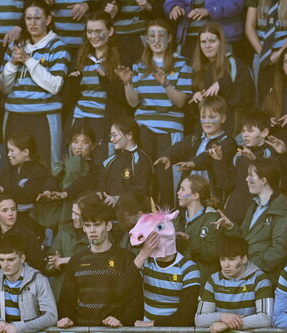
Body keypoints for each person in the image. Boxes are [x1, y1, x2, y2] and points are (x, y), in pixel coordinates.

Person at [119, 20, 193, 205]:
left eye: (161, 35)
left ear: (169, 38)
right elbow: (133, 102)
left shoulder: (182, 64)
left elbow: (181, 102)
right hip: (144, 127)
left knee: (166, 179)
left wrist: (166, 83)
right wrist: (127, 83)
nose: (156, 39)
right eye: (152, 35)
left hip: (169, 128)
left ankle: (168, 222)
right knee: (143, 178)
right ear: (146, 39)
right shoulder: (140, 65)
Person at [0, 0, 71, 169]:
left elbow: (55, 86)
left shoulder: (58, 46)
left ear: (48, 19)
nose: (32, 23)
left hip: (44, 115)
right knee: (14, 168)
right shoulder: (15, 46)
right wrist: (13, 65)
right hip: (14, 115)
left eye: (37, 18)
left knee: (49, 166)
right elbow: (3, 87)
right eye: (28, 18)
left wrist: (29, 61)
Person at [57, 198, 143, 327]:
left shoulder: (126, 258)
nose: (92, 230)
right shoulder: (76, 259)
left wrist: (122, 320)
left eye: (97, 225)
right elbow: (67, 299)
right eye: (87, 225)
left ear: (108, 226)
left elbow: (135, 299)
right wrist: (67, 318)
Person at [219, 156, 287, 277]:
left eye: (251, 175)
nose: (246, 179)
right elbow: (245, 238)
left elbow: (280, 248)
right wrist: (231, 227)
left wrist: (249, 267)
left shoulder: (282, 209)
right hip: (247, 272)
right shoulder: (254, 205)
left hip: (266, 276)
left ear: (263, 180)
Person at [65, 11, 126, 154]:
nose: (93, 36)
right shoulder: (81, 56)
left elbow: (125, 99)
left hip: (105, 120)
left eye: (98, 31)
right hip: (80, 118)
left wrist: (106, 81)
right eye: (89, 31)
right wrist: (73, 83)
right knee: (77, 165)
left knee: (103, 165)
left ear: (110, 31)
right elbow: (68, 99)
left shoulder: (121, 57)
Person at [213, 110, 287, 219]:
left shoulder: (270, 153)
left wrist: (254, 160)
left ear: (264, 132)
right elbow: (226, 184)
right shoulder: (238, 155)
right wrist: (219, 161)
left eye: (250, 131)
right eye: (243, 131)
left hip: (257, 212)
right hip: (235, 209)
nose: (245, 135)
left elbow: (274, 181)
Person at [0, 233, 58, 333]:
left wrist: (18, 327)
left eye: (11, 259)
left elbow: (51, 316)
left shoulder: (39, 279)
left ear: (22, 258)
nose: (5, 265)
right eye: (1, 260)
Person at [195, 234, 274, 333]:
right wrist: (222, 316)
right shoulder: (213, 280)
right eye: (222, 259)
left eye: (232, 259)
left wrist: (227, 325)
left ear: (244, 259)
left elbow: (266, 318)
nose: (226, 265)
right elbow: (199, 319)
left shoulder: (260, 279)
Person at [157, 95, 237, 187]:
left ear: (223, 118)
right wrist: (168, 156)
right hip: (189, 191)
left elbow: (207, 157)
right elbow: (179, 148)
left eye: (212, 117)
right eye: (203, 117)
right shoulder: (194, 138)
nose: (207, 121)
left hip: (211, 193)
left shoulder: (227, 142)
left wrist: (193, 163)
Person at [132, 222, 202, 327]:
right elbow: (121, 290)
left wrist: (151, 324)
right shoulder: (145, 262)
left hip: (175, 331)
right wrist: (141, 256)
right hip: (146, 331)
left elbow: (186, 314)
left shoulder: (188, 268)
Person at [189, 22, 254, 133]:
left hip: (232, 129)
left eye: (212, 41)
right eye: (203, 42)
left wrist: (222, 84)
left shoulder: (234, 63)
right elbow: (192, 112)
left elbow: (246, 97)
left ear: (221, 42)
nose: (207, 46)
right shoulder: (198, 67)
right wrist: (195, 98)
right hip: (206, 131)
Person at [0, 132, 55, 224]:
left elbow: (26, 196)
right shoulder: (8, 170)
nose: (8, 155)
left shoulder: (38, 172)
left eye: (12, 151)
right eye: (8, 151)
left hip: (29, 221)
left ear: (25, 152)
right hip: (4, 221)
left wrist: (2, 190)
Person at [245, 0, 287, 105]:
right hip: (261, 54)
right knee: (263, 98)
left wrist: (281, 53)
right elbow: (249, 26)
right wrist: (263, 54)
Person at [0, 193, 45, 272]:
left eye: (13, 209)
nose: (10, 214)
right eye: (5, 210)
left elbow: (38, 264)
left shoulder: (28, 235)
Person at [175, 174, 222, 278]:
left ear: (195, 196)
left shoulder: (214, 219)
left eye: (182, 189)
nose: (178, 193)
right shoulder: (177, 218)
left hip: (202, 282)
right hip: (178, 280)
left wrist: (189, 239)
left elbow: (213, 254)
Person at [98, 118, 154, 206]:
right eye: (110, 136)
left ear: (129, 136)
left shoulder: (142, 160)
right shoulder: (109, 161)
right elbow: (101, 185)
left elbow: (141, 191)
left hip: (133, 209)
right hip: (108, 206)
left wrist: (118, 198)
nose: (112, 139)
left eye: (115, 135)